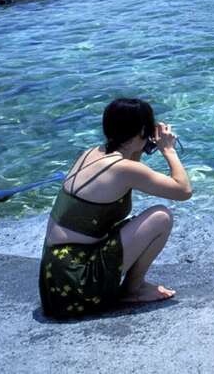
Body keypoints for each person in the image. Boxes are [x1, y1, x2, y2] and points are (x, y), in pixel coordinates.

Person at [39, 98, 192, 318]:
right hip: (79, 285)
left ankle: (129, 287)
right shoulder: (123, 169)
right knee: (161, 217)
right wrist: (168, 151)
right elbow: (183, 190)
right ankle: (133, 290)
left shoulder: (91, 153)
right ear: (142, 131)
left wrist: (140, 142)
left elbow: (131, 169)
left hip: (55, 282)